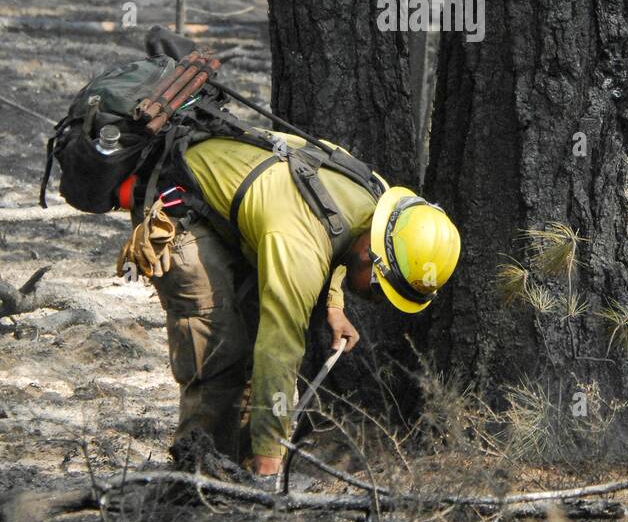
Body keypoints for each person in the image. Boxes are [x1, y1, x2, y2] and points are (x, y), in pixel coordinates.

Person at [121, 124, 461, 481]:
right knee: (219, 348)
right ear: (372, 253)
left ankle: (239, 466)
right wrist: (271, 462)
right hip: (177, 202)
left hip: (235, 211)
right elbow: (279, 349)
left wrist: (333, 304)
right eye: (379, 290)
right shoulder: (301, 249)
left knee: (252, 342)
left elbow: (338, 239)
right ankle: (200, 479)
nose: (376, 301)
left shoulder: (378, 204)